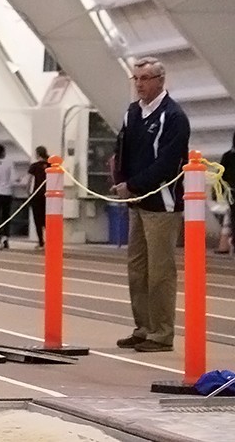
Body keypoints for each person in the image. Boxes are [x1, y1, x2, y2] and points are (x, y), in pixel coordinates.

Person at [112, 56, 190, 353]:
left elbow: (169, 164)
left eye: (145, 79)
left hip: (162, 205)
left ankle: (161, 333)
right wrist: (122, 181)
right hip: (137, 203)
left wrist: (133, 185)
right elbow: (122, 150)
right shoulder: (133, 113)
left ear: (160, 80)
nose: (139, 85)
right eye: (136, 79)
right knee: (137, 269)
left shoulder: (174, 117)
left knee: (160, 271)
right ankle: (143, 327)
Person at [27, 146, 50, 249]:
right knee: (47, 219)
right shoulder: (51, 165)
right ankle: (51, 240)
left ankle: (41, 242)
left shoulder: (34, 166)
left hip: (37, 194)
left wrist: (28, 191)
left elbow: (29, 180)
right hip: (48, 195)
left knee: (37, 219)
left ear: (37, 154)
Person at [221, 130, 235, 254]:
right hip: (231, 192)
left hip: (231, 192)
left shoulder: (228, 156)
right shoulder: (228, 156)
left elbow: (221, 176)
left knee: (233, 217)